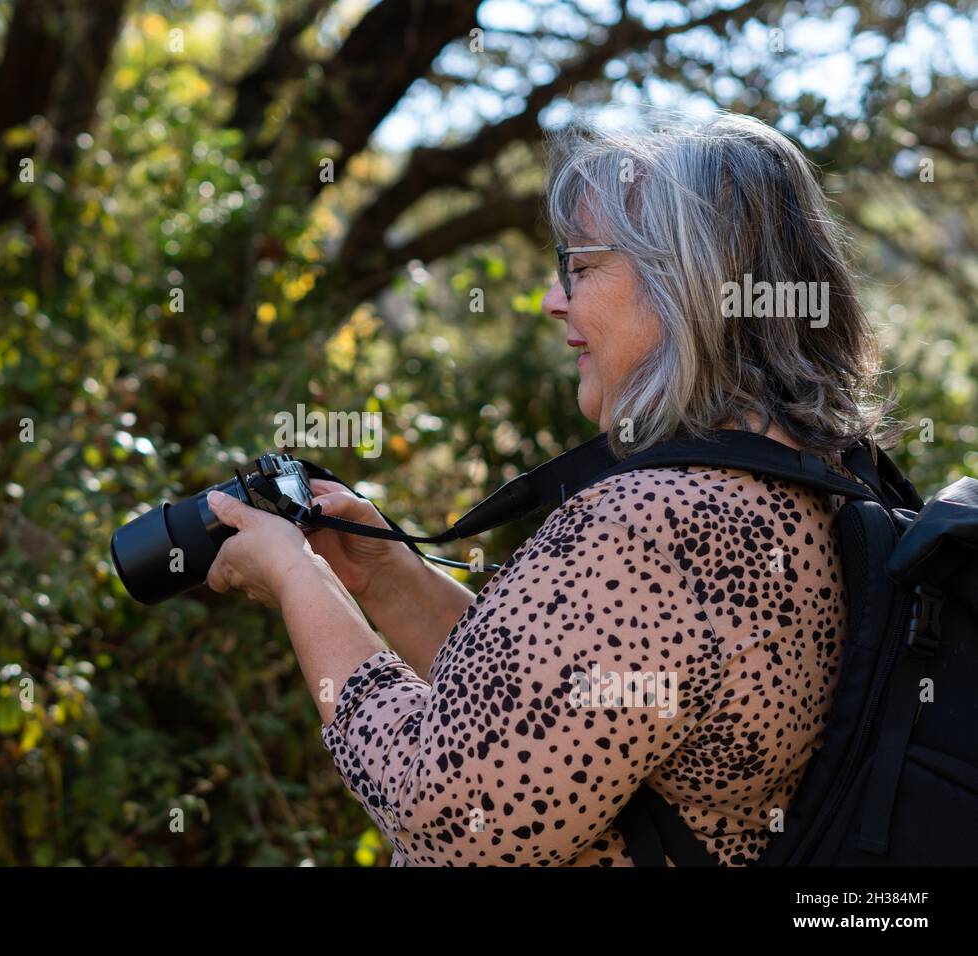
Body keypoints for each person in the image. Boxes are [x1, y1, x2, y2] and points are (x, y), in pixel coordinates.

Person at [201, 111, 902, 865]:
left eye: (582, 265)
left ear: (691, 282)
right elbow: (544, 710)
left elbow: (442, 816)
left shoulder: (656, 526)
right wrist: (387, 576)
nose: (552, 299)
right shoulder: (806, 482)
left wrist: (297, 579)